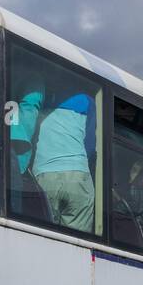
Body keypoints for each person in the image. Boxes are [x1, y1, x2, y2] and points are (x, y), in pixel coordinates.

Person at [33, 92, 97, 232]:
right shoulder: (87, 101)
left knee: (44, 234)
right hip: (78, 176)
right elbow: (90, 146)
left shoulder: (42, 96)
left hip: (44, 176)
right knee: (77, 240)